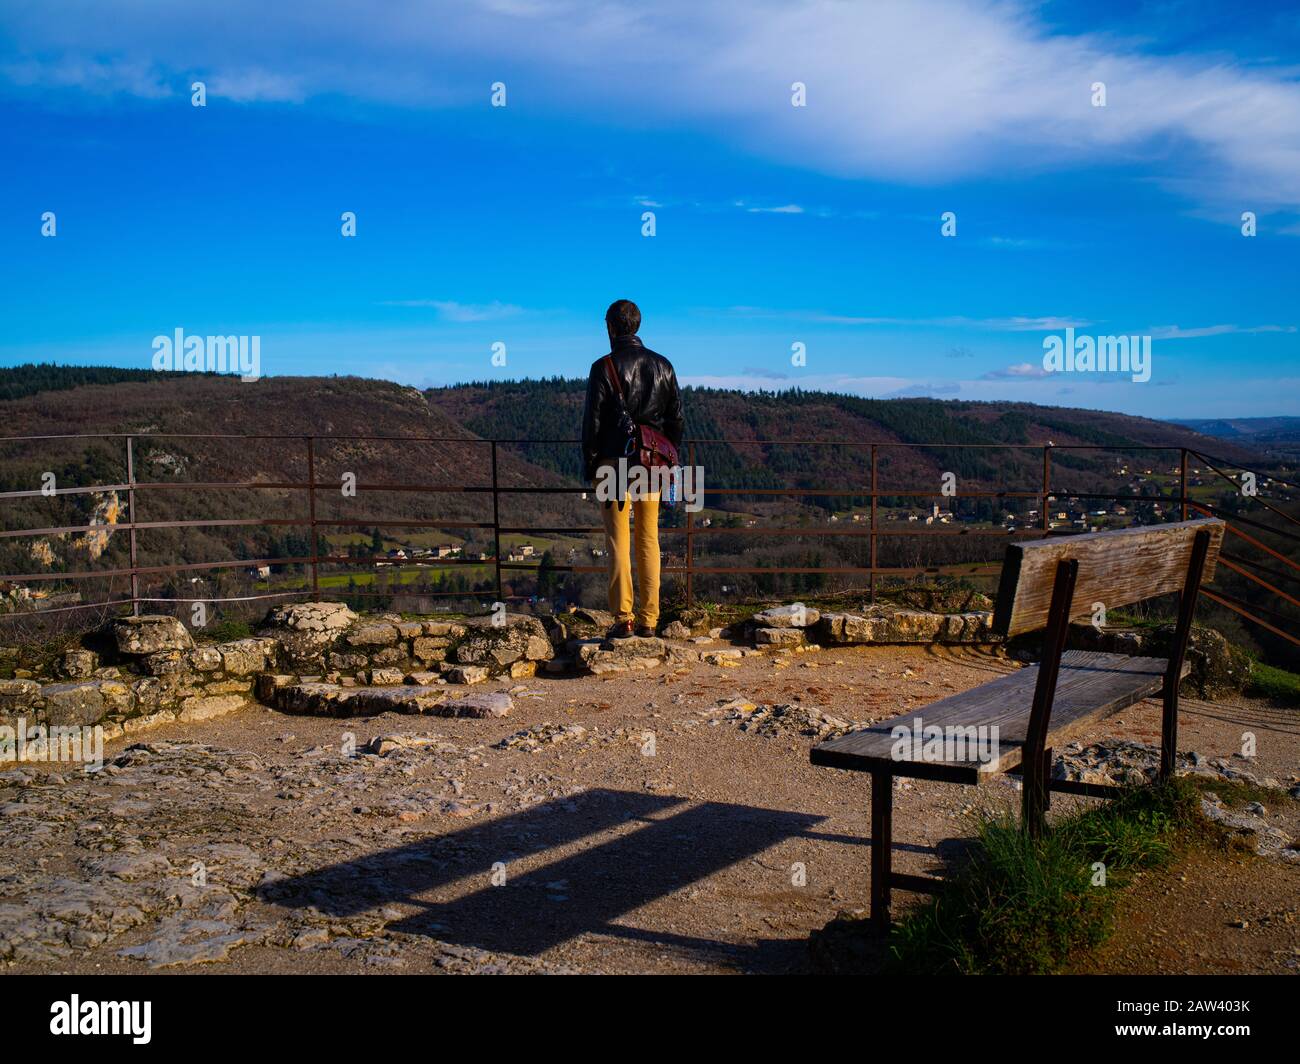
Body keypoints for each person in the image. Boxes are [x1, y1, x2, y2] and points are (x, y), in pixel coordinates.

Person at [581, 299, 684, 639]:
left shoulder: (603, 367)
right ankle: (649, 620)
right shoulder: (664, 366)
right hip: (652, 465)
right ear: (637, 326)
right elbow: (676, 420)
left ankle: (623, 618)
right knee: (649, 540)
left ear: (610, 327)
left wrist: (591, 464)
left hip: (613, 463)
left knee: (617, 541)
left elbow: (592, 424)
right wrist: (666, 454)